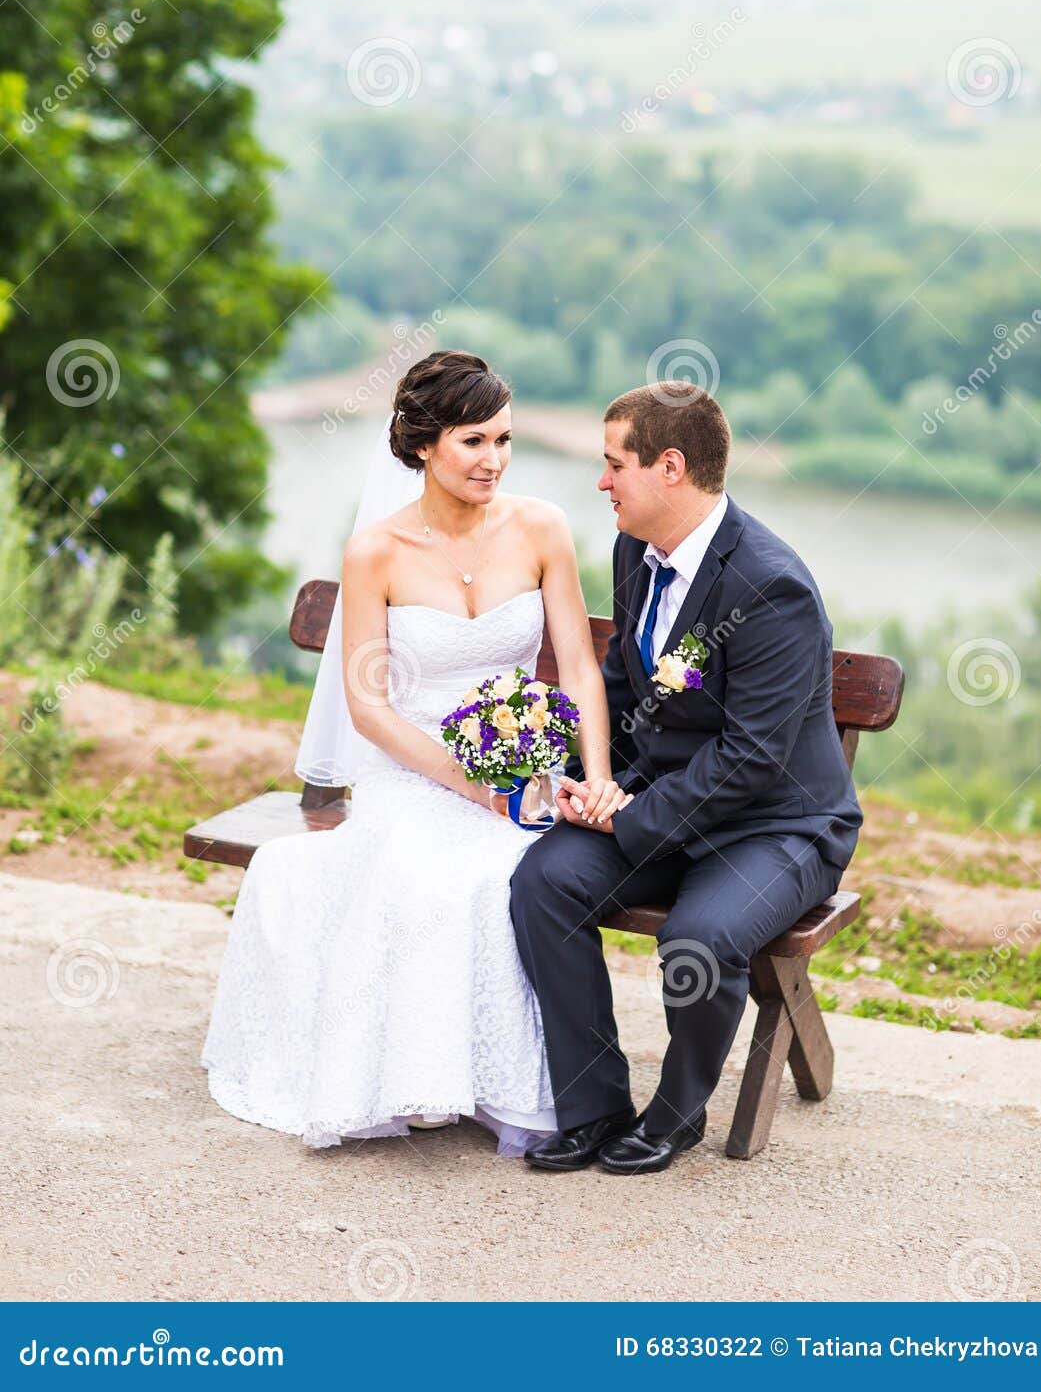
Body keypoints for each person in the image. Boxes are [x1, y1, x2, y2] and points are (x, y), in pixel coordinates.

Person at [200, 350, 630, 1154]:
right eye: (473, 441)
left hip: (523, 775)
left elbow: (577, 666)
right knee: (430, 882)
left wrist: (592, 777)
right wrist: (473, 785)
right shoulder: (377, 552)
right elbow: (366, 703)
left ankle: (510, 1081)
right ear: (425, 444)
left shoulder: (541, 528)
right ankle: (421, 1077)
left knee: (514, 877)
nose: (493, 460)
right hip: (410, 769)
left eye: (503, 440)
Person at [510, 382, 862, 1174]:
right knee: (543, 884)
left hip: (777, 826)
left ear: (669, 467)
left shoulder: (771, 588)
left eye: (613, 465)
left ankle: (674, 1116)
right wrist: (580, 781)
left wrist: (625, 819)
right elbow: (628, 689)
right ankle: (591, 1108)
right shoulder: (635, 548)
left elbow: (751, 759)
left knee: (697, 938)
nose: (602, 483)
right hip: (659, 804)